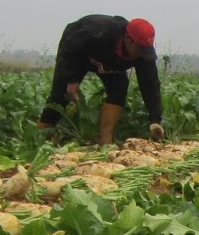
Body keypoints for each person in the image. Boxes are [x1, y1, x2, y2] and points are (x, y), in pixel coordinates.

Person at [37, 14, 165, 145]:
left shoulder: (143, 55)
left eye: (146, 50)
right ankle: (41, 139)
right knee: (61, 94)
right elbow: (69, 48)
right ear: (128, 39)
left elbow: (150, 85)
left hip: (110, 63)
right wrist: (71, 79)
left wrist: (155, 120)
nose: (142, 54)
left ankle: (105, 141)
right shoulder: (98, 31)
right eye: (140, 49)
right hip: (78, 55)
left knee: (119, 89)